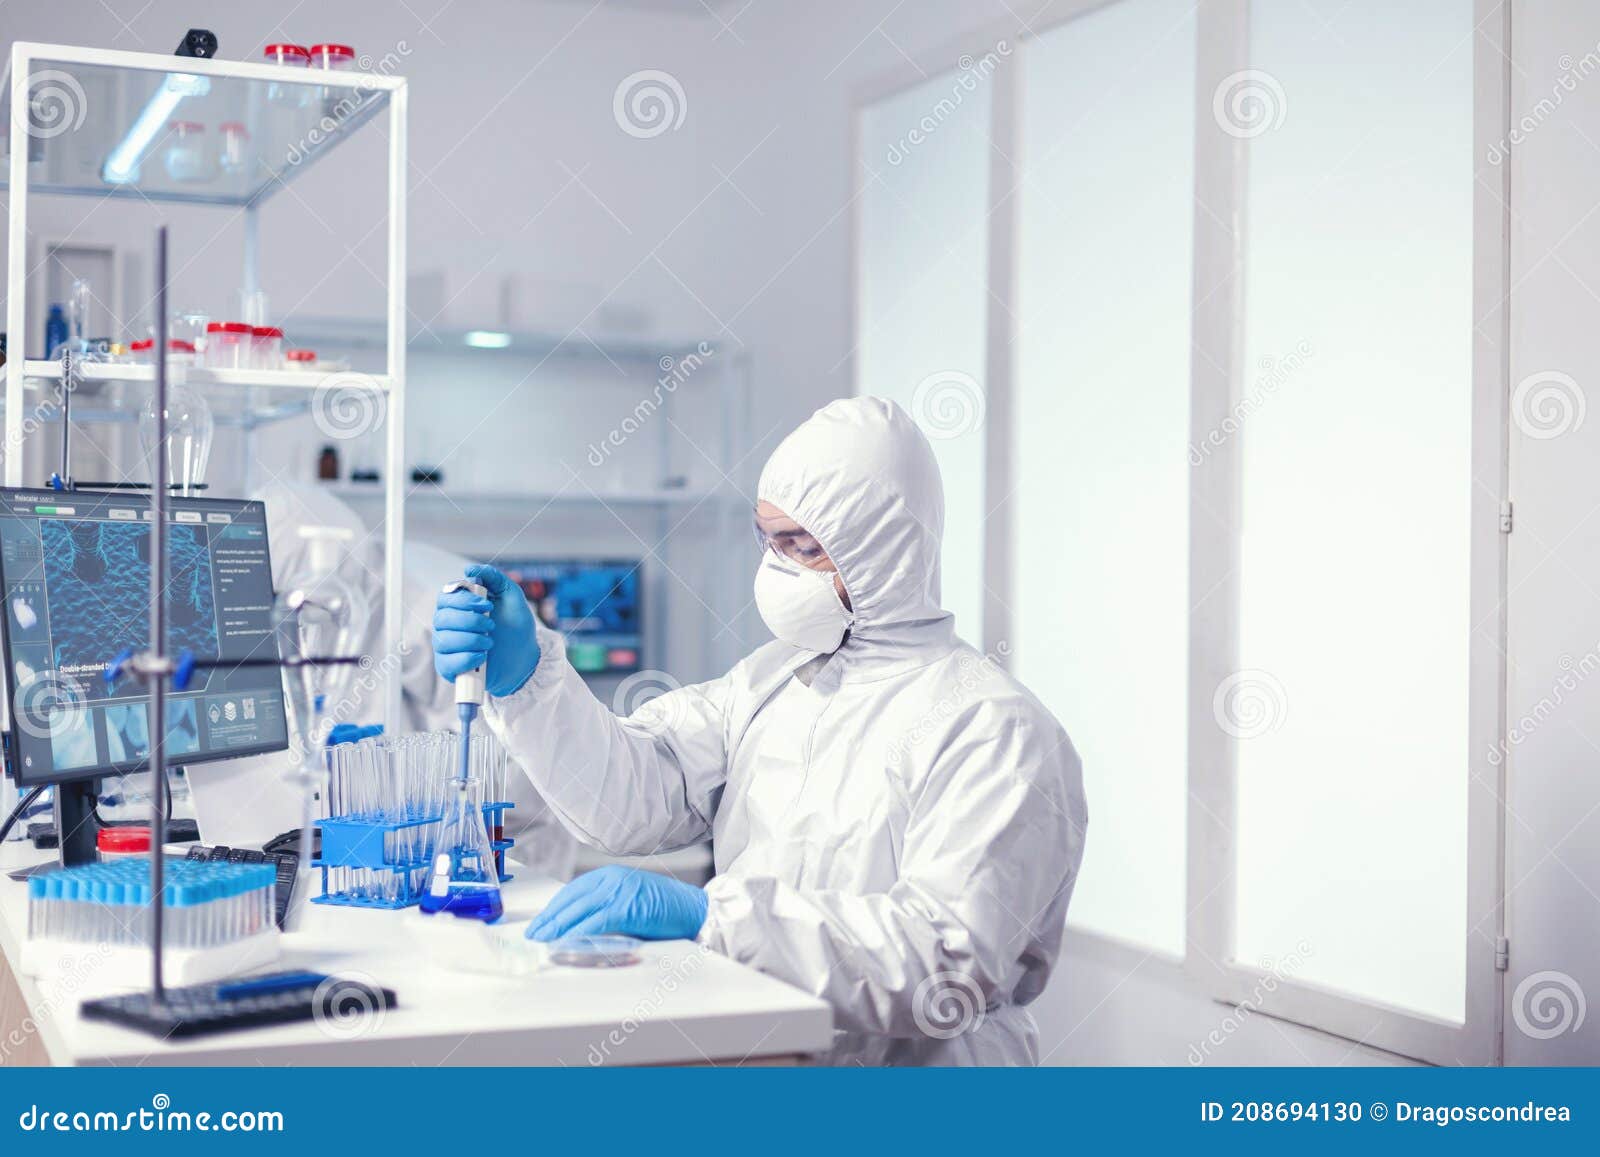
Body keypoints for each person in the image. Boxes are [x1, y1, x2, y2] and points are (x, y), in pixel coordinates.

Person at [433, 397, 1087, 1065]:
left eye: (803, 547)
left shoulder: (992, 727)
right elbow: (633, 795)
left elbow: (944, 961)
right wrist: (530, 683)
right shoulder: (773, 680)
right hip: (772, 1055)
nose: (777, 567)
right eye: (769, 539)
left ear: (883, 552)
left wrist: (715, 918)